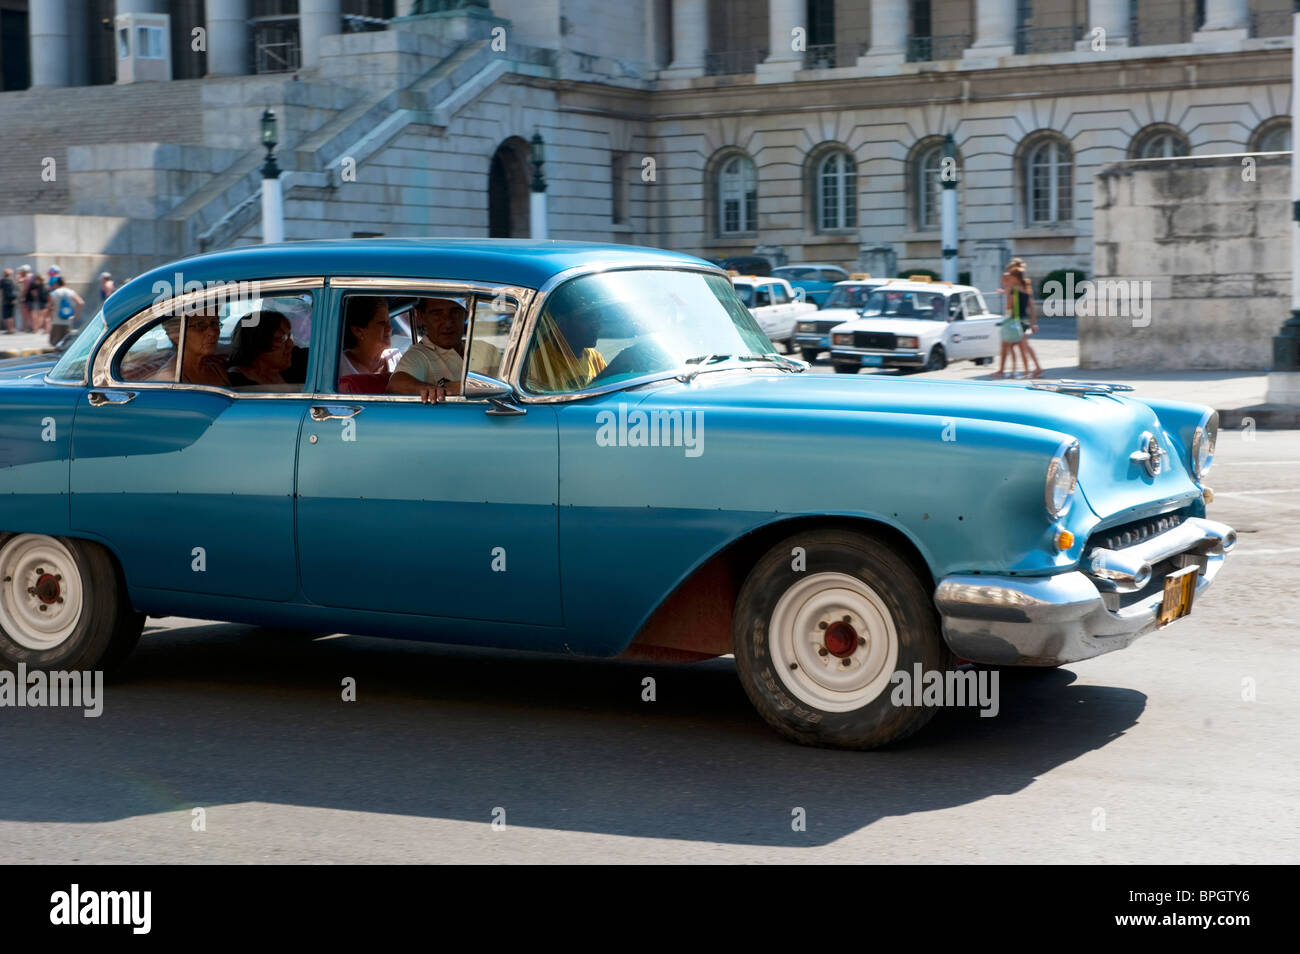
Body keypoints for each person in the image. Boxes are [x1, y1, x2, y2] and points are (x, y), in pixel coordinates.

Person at [389, 296, 494, 403]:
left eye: (455, 312)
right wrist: (436, 390)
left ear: (466, 314)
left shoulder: (485, 348)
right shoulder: (419, 354)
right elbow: (396, 385)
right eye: (437, 314)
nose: (448, 322)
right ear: (421, 317)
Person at [525, 301, 608, 393]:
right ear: (562, 322)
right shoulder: (538, 362)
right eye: (587, 318)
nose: (597, 326)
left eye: (598, 319)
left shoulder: (594, 357)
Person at [150, 314, 230, 386]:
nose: (213, 332)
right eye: (200, 325)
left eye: (214, 323)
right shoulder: (171, 379)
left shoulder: (216, 368)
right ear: (176, 335)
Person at [227, 310, 298, 388]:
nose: (290, 344)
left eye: (290, 337)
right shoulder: (237, 382)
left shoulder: (294, 364)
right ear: (256, 343)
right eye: (280, 338)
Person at [339, 296, 401, 378]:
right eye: (382, 323)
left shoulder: (396, 358)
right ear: (358, 331)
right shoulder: (339, 366)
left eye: (388, 322)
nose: (389, 328)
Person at [1007, 258, 1044, 378]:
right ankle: (1029, 369)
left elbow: (1010, 306)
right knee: (1021, 345)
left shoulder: (1014, 290)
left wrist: (1007, 293)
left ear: (1015, 278)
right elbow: (1032, 307)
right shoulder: (1027, 289)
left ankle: (1030, 369)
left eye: (1011, 277)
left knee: (1022, 346)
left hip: (1016, 320)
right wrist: (1034, 323)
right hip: (1024, 320)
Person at [47, 277, 84, 347]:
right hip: (68, 322)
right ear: (64, 283)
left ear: (56, 284)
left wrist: (49, 319)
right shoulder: (71, 292)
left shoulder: (53, 294)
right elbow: (81, 302)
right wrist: (76, 316)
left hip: (56, 322)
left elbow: (49, 308)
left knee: (55, 344)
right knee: (66, 345)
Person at [1, 268, 15, 334]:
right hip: (12, 300)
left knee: (7, 316)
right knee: (11, 315)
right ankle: (12, 329)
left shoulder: (3, 281)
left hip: (6, 300)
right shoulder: (12, 281)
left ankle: (9, 330)